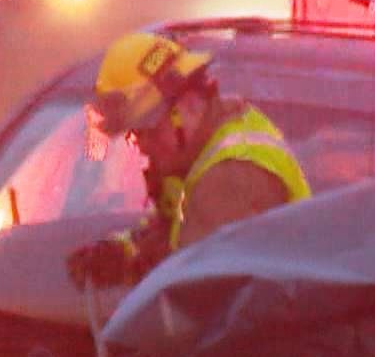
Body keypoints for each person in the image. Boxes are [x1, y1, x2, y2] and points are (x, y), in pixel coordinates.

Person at [65, 32, 311, 290]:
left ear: (186, 106)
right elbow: (170, 231)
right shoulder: (199, 154)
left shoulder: (228, 177)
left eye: (149, 129)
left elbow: (194, 297)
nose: (143, 147)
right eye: (135, 134)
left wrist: (137, 272)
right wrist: (122, 252)